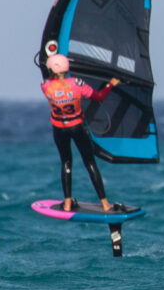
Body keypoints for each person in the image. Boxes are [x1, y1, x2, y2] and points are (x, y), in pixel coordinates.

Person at [40, 54, 120, 212]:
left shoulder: (46, 86)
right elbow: (98, 97)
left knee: (66, 162)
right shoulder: (77, 83)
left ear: (51, 70)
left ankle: (68, 203)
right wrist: (111, 84)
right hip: (77, 127)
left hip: (59, 129)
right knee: (89, 162)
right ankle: (105, 204)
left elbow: (47, 75)